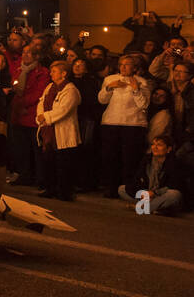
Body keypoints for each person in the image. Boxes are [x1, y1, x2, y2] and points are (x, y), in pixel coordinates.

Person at [98, 54, 151, 198]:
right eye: (121, 64)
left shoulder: (142, 82)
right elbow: (102, 100)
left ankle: (127, 188)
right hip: (111, 122)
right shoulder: (110, 79)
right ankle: (111, 187)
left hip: (133, 124)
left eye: (127, 64)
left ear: (134, 67)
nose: (123, 67)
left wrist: (135, 89)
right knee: (110, 157)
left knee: (130, 159)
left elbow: (144, 105)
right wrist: (109, 87)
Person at [35, 60, 80, 201]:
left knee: (63, 163)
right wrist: (40, 116)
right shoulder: (50, 87)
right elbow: (41, 102)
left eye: (54, 71)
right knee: (49, 161)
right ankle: (50, 188)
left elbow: (64, 110)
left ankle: (64, 191)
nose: (51, 74)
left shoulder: (70, 90)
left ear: (64, 73)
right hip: (49, 131)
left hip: (63, 131)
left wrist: (46, 117)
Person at [6, 49, 49, 186]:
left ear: (36, 56)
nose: (24, 55)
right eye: (23, 53)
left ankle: (40, 178)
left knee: (35, 149)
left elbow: (38, 92)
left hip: (31, 115)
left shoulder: (42, 72)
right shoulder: (20, 70)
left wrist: (23, 102)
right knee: (21, 148)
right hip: (18, 114)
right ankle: (24, 174)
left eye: (28, 53)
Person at [119, 135, 188, 215]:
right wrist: (143, 194)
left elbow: (175, 184)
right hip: (147, 194)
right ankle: (157, 208)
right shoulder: (147, 160)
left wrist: (155, 193)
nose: (154, 147)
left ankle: (143, 208)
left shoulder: (174, 163)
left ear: (169, 149)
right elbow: (136, 180)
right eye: (153, 144)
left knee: (174, 194)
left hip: (162, 195)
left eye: (159, 145)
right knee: (122, 189)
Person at [70, 57, 102, 191]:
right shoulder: (69, 81)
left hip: (86, 118)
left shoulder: (91, 82)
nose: (77, 67)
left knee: (85, 149)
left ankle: (85, 182)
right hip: (71, 118)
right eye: (75, 64)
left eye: (81, 64)